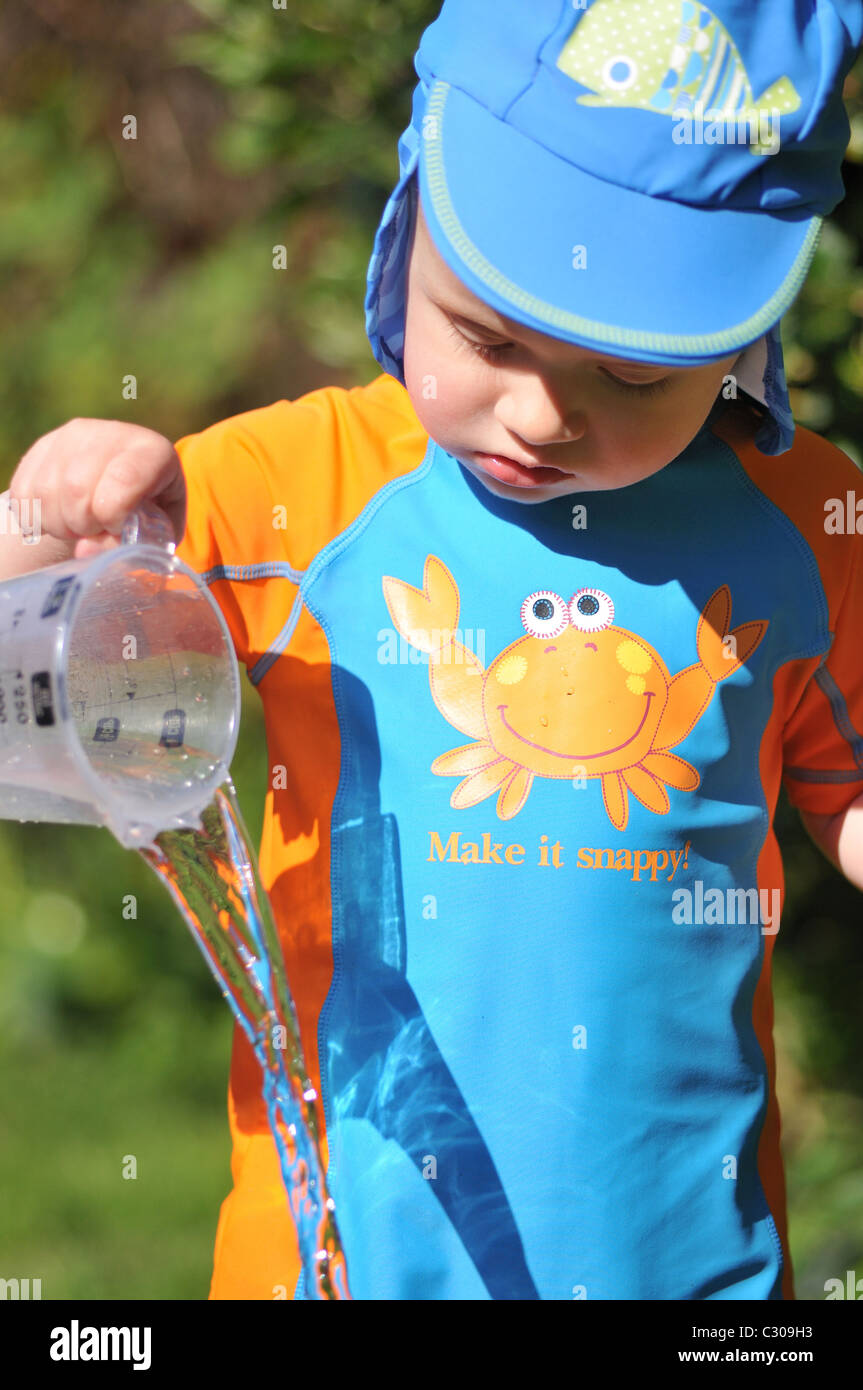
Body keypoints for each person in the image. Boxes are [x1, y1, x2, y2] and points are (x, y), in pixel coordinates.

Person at [2, 0, 863, 1300]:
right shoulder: (305, 489)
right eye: (488, 335)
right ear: (410, 212)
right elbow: (47, 700)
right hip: (337, 1270)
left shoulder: (803, 526)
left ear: (744, 332)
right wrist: (40, 536)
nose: (539, 411)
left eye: (633, 376)